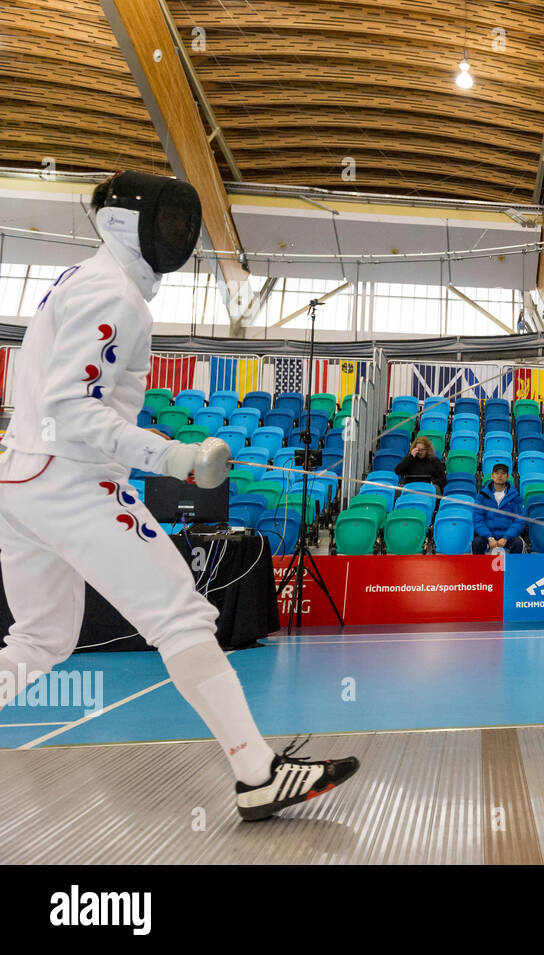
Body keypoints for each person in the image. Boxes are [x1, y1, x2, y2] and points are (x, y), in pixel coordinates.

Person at [0, 171, 358, 821]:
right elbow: (71, 411)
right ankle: (257, 772)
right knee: (182, 615)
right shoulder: (115, 296)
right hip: (70, 482)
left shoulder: (85, 280)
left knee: (42, 637)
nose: (179, 236)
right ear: (127, 221)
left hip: (19, 482)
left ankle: (256, 770)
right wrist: (174, 457)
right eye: (168, 221)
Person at [471, 463, 525, 554]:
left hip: (508, 536)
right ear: (492, 476)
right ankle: (480, 568)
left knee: (518, 544)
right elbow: (477, 519)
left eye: (503, 473)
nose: (499, 476)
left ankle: (513, 568)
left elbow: (520, 520)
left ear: (507, 476)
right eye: (497, 473)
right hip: (488, 536)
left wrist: (506, 538)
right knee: (476, 543)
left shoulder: (516, 497)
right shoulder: (482, 496)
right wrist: (489, 537)